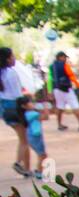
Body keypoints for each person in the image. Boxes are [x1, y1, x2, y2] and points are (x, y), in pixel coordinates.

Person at [0, 48, 32, 177]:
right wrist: (28, 104)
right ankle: (20, 163)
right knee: (24, 139)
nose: (14, 59)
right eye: (12, 57)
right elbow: (17, 94)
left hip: (3, 107)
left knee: (22, 137)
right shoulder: (11, 73)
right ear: (7, 59)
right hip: (14, 106)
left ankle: (25, 168)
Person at [49, 52, 79, 131]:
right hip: (66, 89)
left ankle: (59, 125)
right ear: (60, 57)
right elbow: (72, 76)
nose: (65, 59)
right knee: (75, 105)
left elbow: (50, 78)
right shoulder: (65, 65)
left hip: (57, 89)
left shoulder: (52, 66)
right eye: (64, 57)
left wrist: (50, 90)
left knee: (60, 106)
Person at [17, 95, 49, 179]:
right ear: (24, 106)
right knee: (42, 154)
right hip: (35, 136)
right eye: (30, 102)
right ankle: (39, 171)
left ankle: (39, 171)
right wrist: (45, 107)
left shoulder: (27, 114)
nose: (32, 104)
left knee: (42, 154)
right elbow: (46, 117)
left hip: (34, 136)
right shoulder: (32, 114)